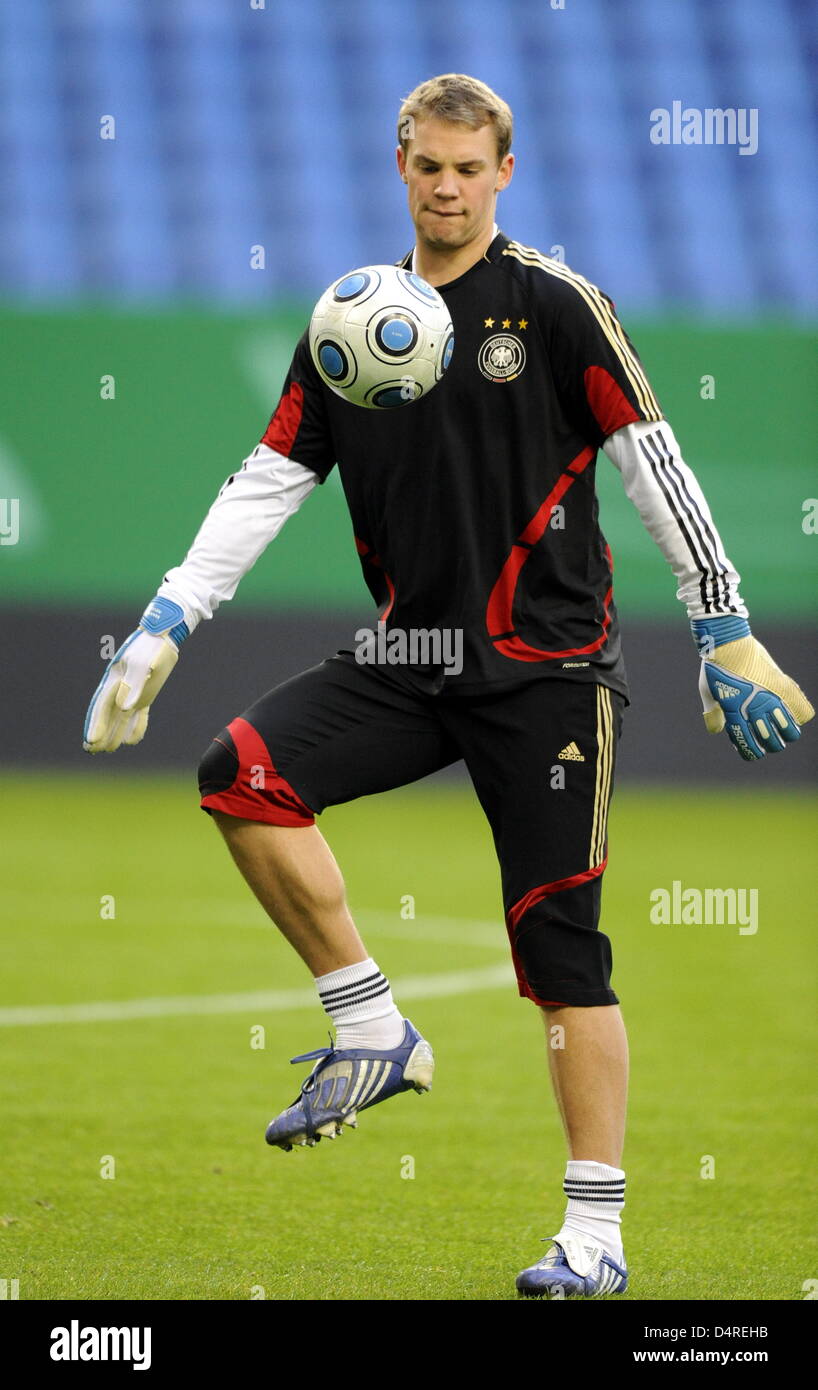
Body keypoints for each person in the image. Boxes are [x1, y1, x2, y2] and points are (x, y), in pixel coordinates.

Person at [83, 74, 813, 1299]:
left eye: (470, 168)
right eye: (427, 165)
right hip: (414, 657)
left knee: (557, 955)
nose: (447, 186)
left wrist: (721, 625)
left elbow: (653, 460)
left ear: (503, 175)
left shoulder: (557, 306)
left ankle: (593, 1235)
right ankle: (370, 1025)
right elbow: (265, 478)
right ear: (400, 165)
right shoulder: (350, 321)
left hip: (549, 675)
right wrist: (165, 620)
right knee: (241, 777)